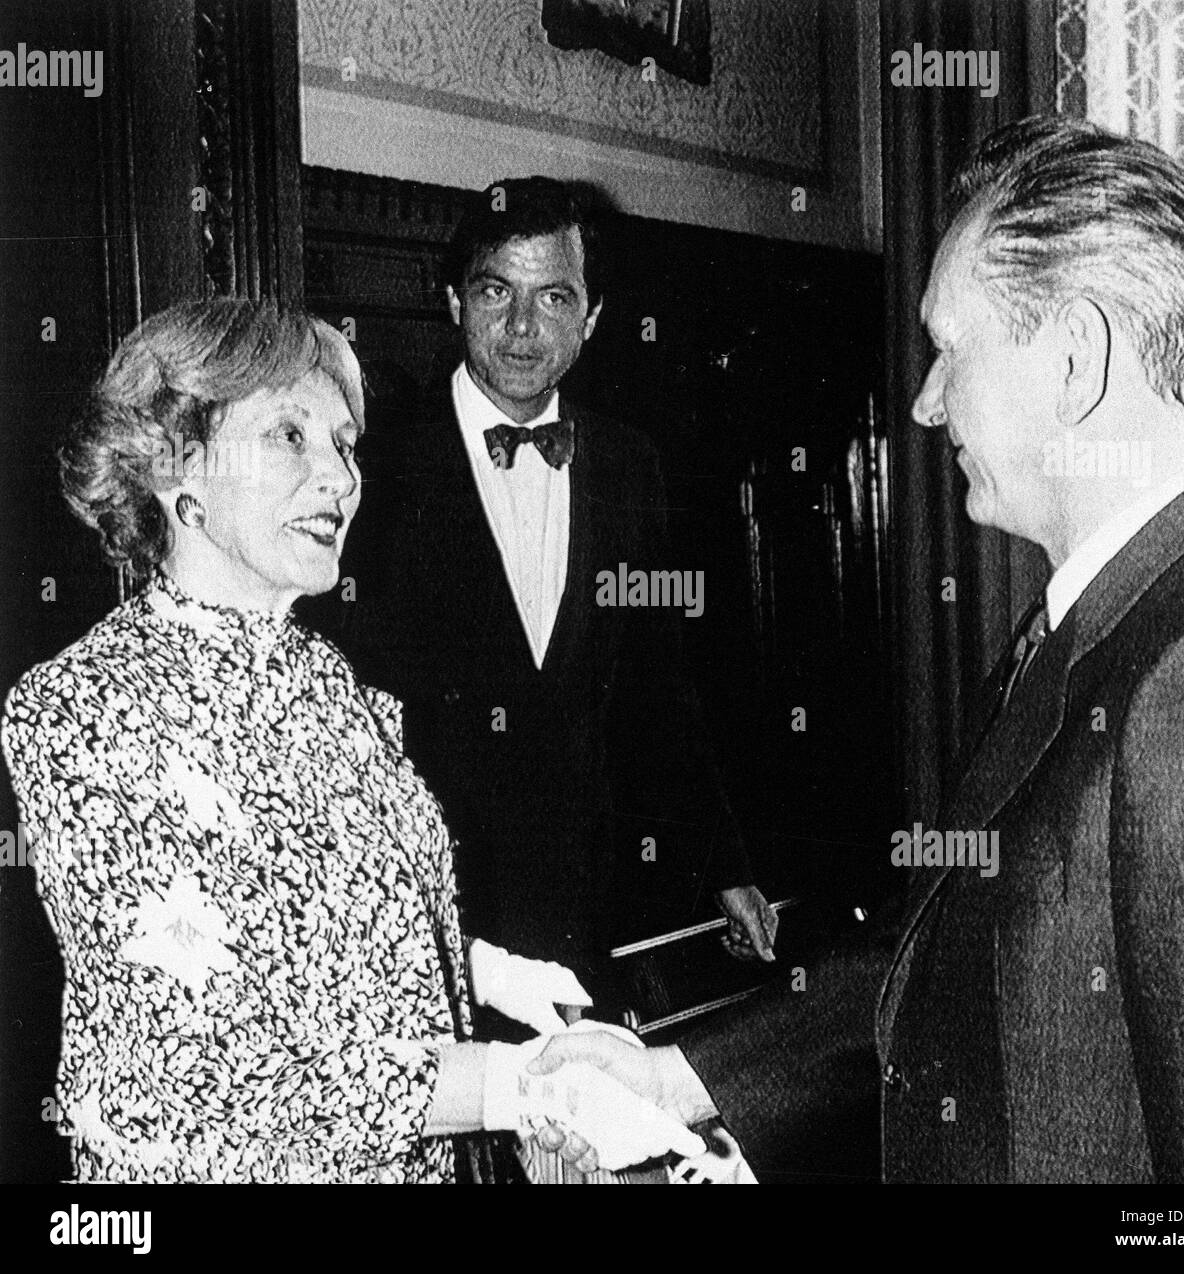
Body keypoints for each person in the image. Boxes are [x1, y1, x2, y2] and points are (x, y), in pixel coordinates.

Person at [532, 116, 1184, 1183]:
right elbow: (935, 947)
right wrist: (676, 1076)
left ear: (1075, 357)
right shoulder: (1114, 612)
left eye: (950, 346)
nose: (926, 401)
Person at [0, 299, 702, 1182]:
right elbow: (210, 1077)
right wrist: (513, 1085)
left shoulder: (332, 680)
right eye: (290, 436)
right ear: (175, 466)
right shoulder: (82, 709)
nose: (339, 478)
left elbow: (314, 924)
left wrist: (482, 971)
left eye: (343, 444)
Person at [335, 176, 776, 1012]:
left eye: (555, 297)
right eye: (497, 291)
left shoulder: (628, 468)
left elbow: (660, 687)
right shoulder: (368, 470)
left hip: (587, 911)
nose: (523, 327)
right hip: (421, 923)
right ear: (454, 301)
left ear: (593, 318)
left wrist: (725, 867)